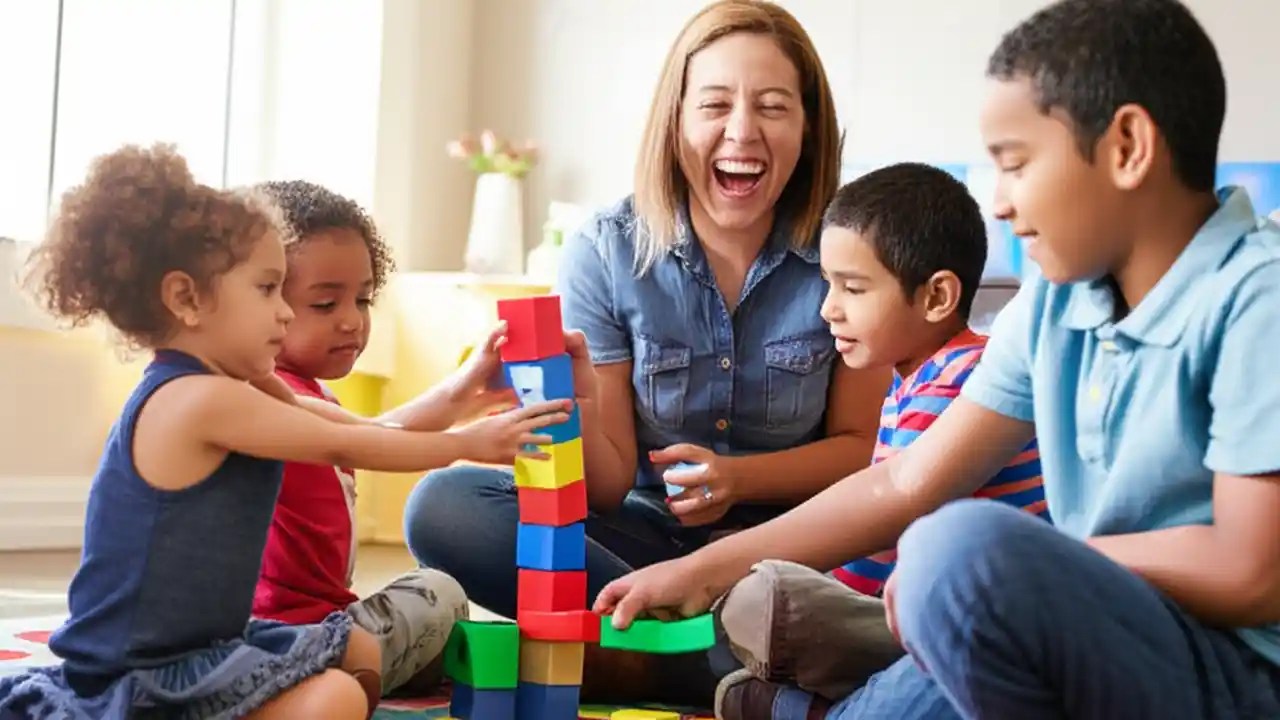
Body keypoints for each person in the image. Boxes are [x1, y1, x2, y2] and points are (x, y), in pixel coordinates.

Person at [598, 0, 1280, 717]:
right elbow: (903, 485)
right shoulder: (1056, 298)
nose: (1002, 201)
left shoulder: (1255, 295)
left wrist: (1036, 569)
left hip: (1234, 667)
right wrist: (702, 572)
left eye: (1016, 164)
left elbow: (1252, 570)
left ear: (1128, 147)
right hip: (1087, 629)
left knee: (956, 551)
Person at [403, 0, 889, 703]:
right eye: (715, 104)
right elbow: (601, 490)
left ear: (808, 127)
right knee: (445, 505)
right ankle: (717, 663)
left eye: (775, 107)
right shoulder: (606, 252)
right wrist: (584, 406)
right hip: (641, 540)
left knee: (861, 571)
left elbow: (861, 451)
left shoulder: (847, 249)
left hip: (791, 554)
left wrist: (741, 481)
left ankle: (676, 656)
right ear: (676, 120)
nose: (743, 131)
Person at [0, 144, 569, 720]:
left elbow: (354, 427)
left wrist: (464, 400)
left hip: (213, 645)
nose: (282, 311)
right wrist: (466, 447)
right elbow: (346, 445)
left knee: (356, 649)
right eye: (268, 289)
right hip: (146, 671)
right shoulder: (201, 399)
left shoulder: (246, 382)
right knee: (340, 694)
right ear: (186, 299)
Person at [690, 162, 1046, 717]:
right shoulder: (914, 379)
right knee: (754, 599)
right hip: (898, 605)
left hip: (944, 613)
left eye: (852, 288)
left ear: (936, 298)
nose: (828, 307)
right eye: (828, 284)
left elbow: (882, 531)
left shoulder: (958, 379)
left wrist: (792, 577)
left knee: (765, 599)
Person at [251, 180, 509, 698]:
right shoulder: (261, 398)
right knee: (440, 593)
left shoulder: (305, 393)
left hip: (320, 622)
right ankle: (310, 684)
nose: (352, 320)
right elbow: (381, 441)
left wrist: (464, 392)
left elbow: (380, 433)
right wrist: (468, 440)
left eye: (364, 299)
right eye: (325, 304)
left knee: (445, 615)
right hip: (274, 636)